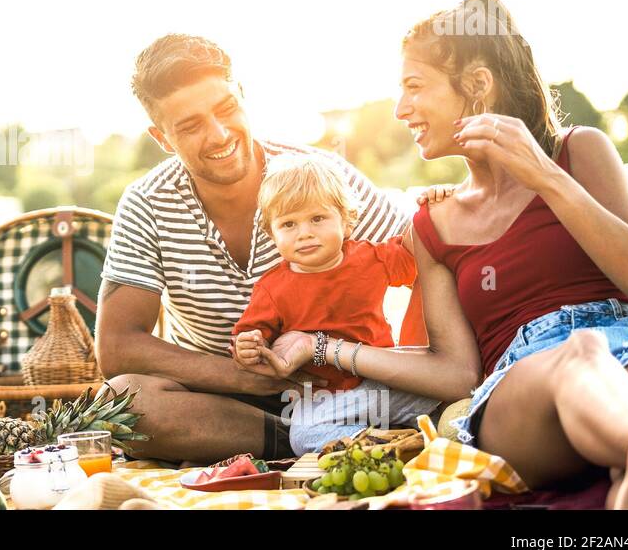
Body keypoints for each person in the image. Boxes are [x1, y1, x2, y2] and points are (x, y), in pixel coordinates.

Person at [254, 0, 628, 508]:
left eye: (415, 87)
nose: (400, 108)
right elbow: (457, 373)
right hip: (522, 386)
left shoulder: (580, 152)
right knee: (584, 356)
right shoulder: (433, 224)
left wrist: (546, 176)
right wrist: (324, 347)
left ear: (478, 86)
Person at [97, 34, 412, 464]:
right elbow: (117, 347)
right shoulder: (146, 202)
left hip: (348, 390)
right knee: (121, 403)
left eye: (226, 109)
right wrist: (250, 378)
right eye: (190, 126)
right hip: (225, 405)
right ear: (163, 138)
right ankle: (307, 443)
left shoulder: (318, 176)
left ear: (242, 96)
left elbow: (427, 262)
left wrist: (418, 362)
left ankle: (333, 433)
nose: (219, 134)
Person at [231, 155, 440, 455]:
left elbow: (417, 251)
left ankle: (409, 437)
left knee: (444, 401)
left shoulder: (371, 258)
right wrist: (248, 346)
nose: (304, 233)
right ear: (271, 234)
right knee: (302, 437)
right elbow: (249, 339)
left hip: (381, 381)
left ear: (345, 221)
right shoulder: (271, 288)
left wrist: (431, 207)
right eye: (288, 224)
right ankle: (388, 442)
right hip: (324, 398)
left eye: (317, 218)